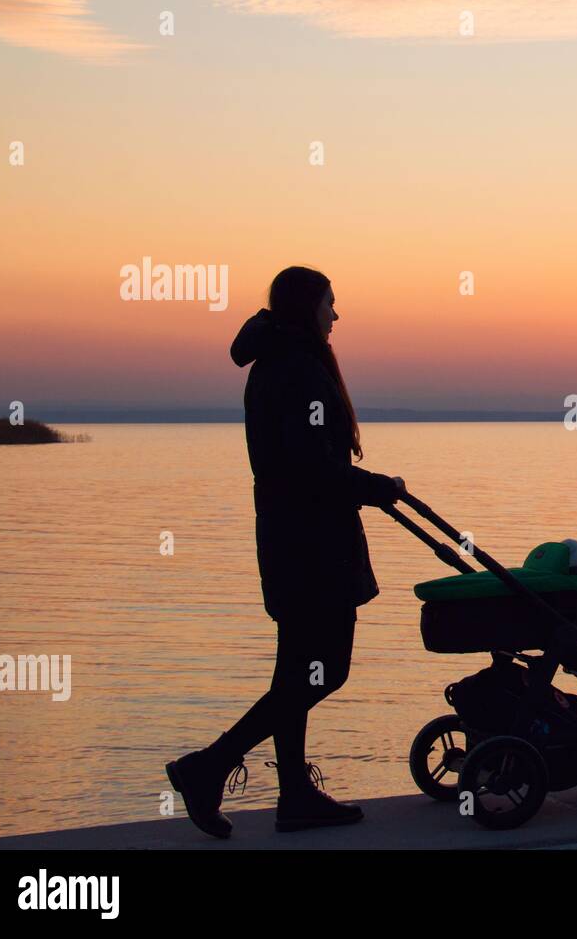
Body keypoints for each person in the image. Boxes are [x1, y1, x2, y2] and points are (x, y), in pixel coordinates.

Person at [166, 265, 405, 838]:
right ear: (308, 308)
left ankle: (293, 793)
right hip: (312, 548)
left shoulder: (280, 363)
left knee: (295, 674)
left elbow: (307, 467)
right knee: (322, 672)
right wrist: (376, 488)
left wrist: (364, 488)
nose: (336, 315)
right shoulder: (294, 370)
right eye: (330, 303)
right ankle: (210, 766)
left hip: (292, 541)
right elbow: (311, 469)